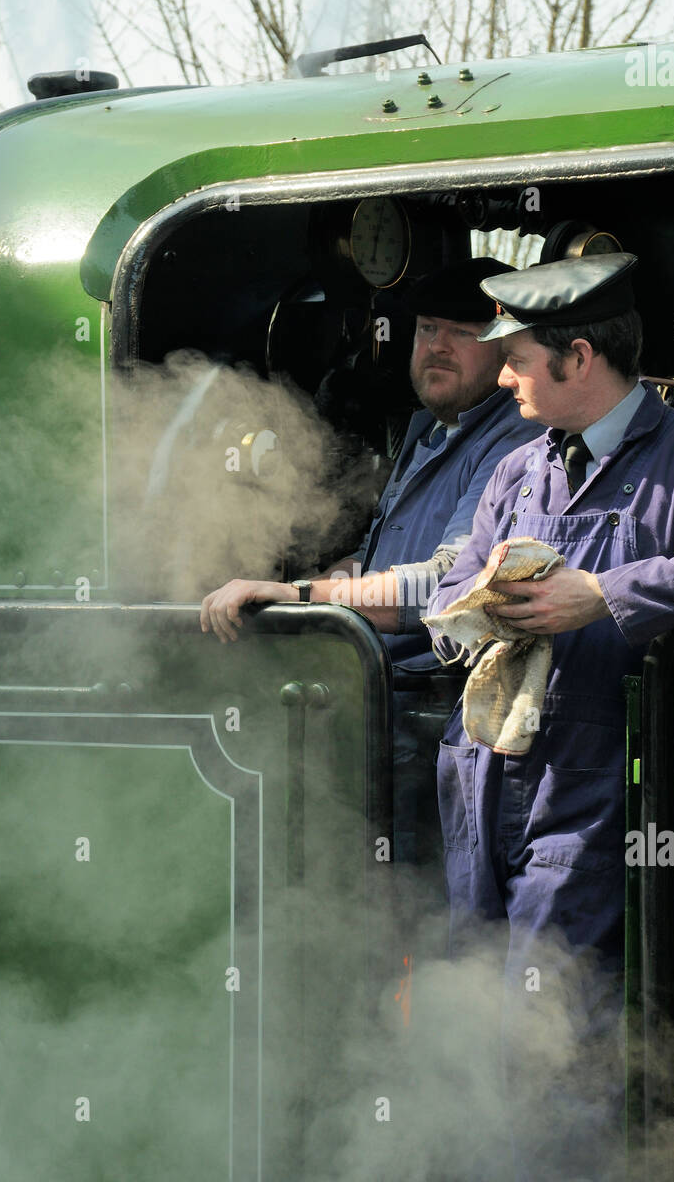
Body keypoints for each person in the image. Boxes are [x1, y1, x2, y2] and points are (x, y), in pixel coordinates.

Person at [425, 252, 674, 1182]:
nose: (501, 377)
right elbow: (443, 588)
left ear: (577, 357)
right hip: (478, 794)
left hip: (582, 804)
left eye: (518, 359)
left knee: (547, 1046)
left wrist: (602, 593)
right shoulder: (513, 466)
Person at [200, 257, 543, 863]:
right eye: (427, 329)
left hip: (441, 713)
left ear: (508, 348)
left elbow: (446, 585)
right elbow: (380, 559)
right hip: (384, 710)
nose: (437, 346)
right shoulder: (429, 430)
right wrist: (309, 589)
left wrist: (299, 598)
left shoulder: (514, 443)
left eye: (462, 333)